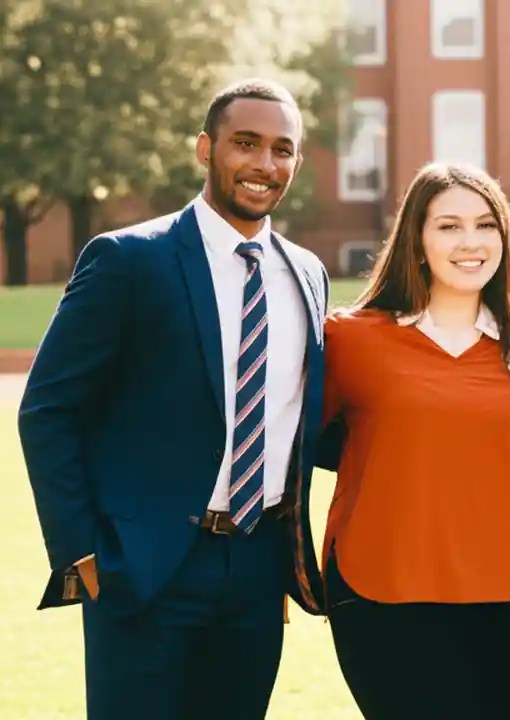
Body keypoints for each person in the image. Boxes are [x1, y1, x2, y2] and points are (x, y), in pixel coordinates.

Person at [17, 78, 327, 719]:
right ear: (205, 148)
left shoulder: (307, 274)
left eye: (282, 149)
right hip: (144, 569)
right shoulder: (129, 260)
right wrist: (83, 556)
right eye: (245, 143)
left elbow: (307, 420)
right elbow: (48, 409)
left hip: (255, 568)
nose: (264, 165)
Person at [318, 163, 510, 719]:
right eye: (448, 226)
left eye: (485, 225)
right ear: (416, 241)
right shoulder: (349, 339)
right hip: (383, 592)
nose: (470, 242)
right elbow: (304, 447)